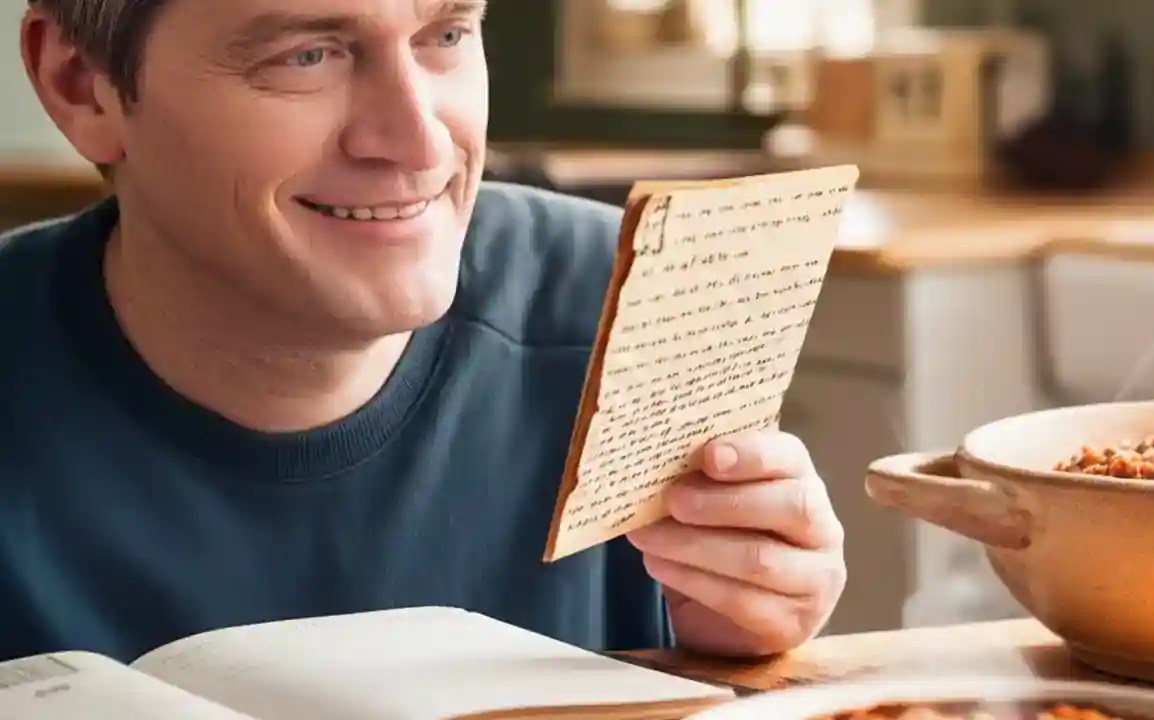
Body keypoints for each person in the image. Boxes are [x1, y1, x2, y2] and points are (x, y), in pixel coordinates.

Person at [1, 0, 848, 665]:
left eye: (446, 33)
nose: (417, 141)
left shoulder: (626, 307)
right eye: (307, 55)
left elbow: (736, 653)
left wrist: (741, 645)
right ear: (83, 85)